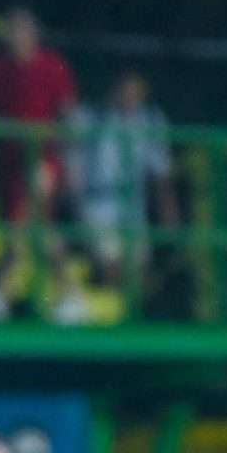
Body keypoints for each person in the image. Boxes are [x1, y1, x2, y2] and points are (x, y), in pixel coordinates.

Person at [0, 7, 77, 322]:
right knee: (41, 229)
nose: (14, 37)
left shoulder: (52, 66)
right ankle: (70, 294)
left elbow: (67, 114)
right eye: (10, 30)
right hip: (11, 161)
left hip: (42, 158)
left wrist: (70, 160)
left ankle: (1, 293)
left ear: (33, 35)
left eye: (20, 31)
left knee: (22, 222)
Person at [65, 71, 179, 292]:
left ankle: (132, 316)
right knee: (109, 265)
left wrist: (168, 207)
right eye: (125, 92)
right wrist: (75, 202)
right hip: (96, 201)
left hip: (132, 203)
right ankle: (108, 309)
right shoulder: (89, 117)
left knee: (140, 267)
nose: (129, 99)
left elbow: (159, 168)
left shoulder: (150, 120)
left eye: (135, 94)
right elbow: (73, 161)